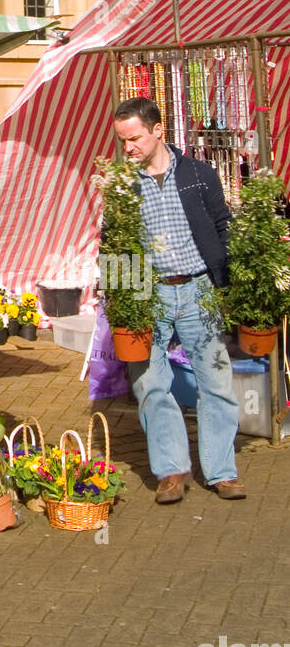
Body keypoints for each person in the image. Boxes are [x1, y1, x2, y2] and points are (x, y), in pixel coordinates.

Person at [112, 96, 245, 503]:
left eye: (134, 138)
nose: (128, 148)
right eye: (122, 141)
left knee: (217, 384)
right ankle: (171, 471)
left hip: (198, 288)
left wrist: (226, 288)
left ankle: (221, 471)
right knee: (151, 386)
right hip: (147, 293)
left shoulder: (199, 175)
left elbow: (222, 226)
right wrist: (121, 299)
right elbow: (113, 243)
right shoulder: (122, 185)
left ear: (157, 131)